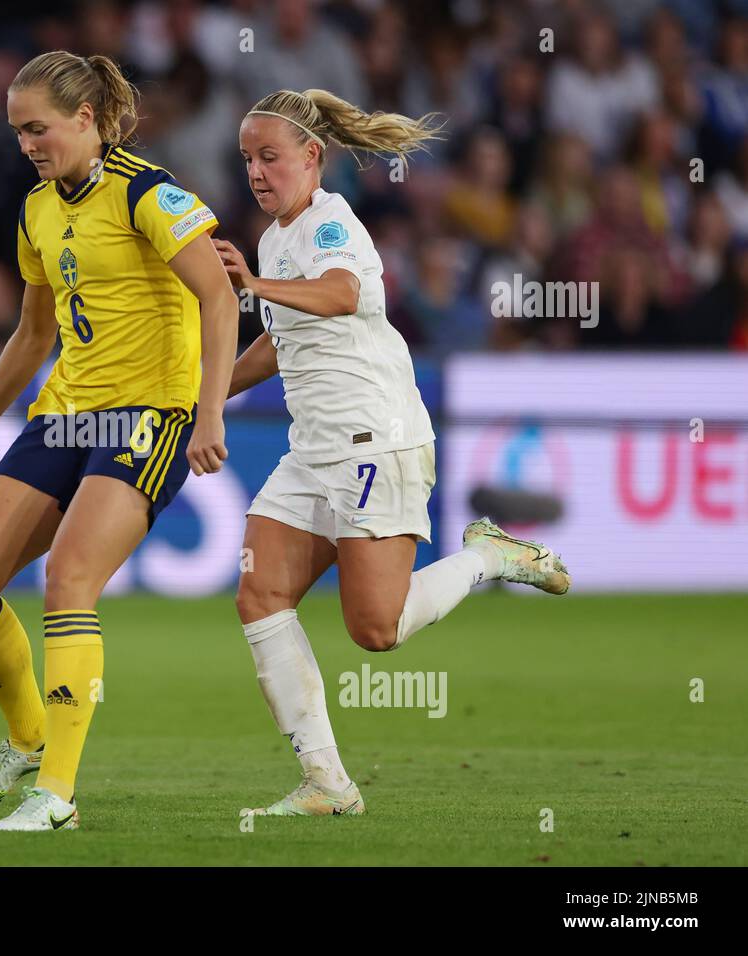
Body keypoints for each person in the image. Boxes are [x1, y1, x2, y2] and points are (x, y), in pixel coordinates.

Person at [215, 88, 571, 817]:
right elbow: (277, 344)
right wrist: (203, 390)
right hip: (311, 449)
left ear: (313, 158)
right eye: (247, 157)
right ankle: (327, 782)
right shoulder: (274, 240)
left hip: (375, 439)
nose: (256, 171)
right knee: (260, 594)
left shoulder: (332, 222)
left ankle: (490, 557)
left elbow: (341, 294)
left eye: (270, 156)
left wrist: (253, 285)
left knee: (376, 630)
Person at [0, 50, 237, 831]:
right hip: (64, 416)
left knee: (69, 579)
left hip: (148, 417)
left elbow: (220, 298)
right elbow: (32, 337)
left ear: (87, 119)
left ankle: (56, 792)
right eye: (17, 130)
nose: (27, 142)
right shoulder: (36, 209)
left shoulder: (148, 193)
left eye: (39, 128)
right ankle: (26, 739)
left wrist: (210, 412)